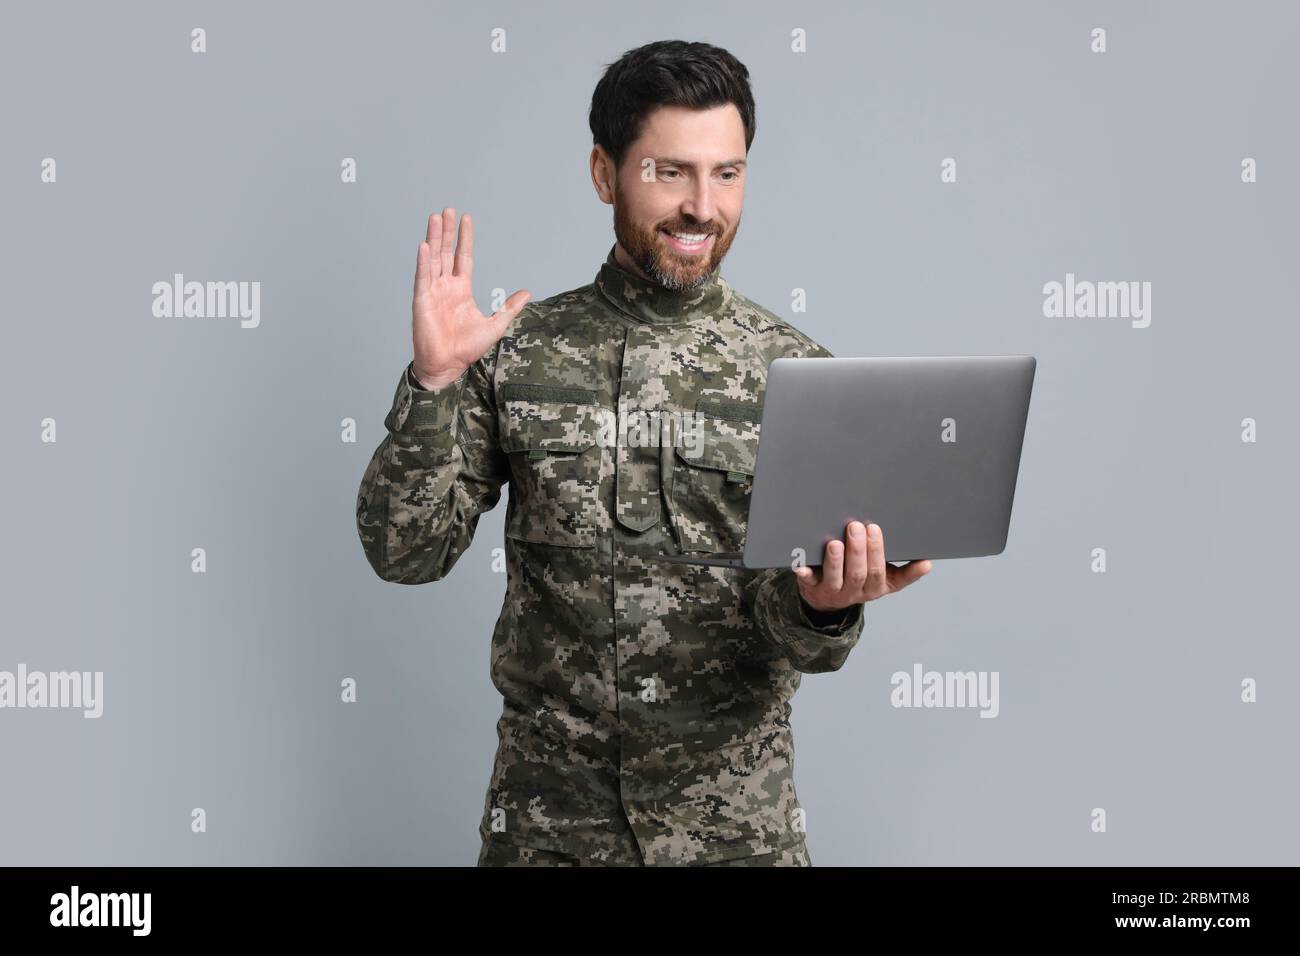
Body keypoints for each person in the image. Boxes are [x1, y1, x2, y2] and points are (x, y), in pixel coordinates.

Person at [356, 39, 932, 866]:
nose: (703, 206)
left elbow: (799, 642)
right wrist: (434, 382)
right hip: (549, 838)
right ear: (605, 174)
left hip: (738, 841)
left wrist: (829, 603)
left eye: (727, 173)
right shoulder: (516, 354)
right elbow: (403, 554)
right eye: (671, 172)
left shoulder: (798, 376)